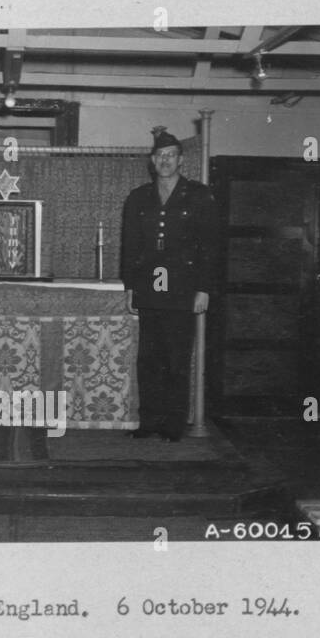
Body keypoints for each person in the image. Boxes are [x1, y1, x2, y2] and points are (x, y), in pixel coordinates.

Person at [119, 131, 220, 442]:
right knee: (149, 359)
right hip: (149, 287)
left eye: (171, 155)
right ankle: (149, 422)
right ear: (152, 160)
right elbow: (130, 245)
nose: (165, 161)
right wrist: (130, 286)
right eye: (160, 156)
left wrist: (204, 288)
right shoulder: (138, 197)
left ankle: (173, 425)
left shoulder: (199, 195)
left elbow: (210, 245)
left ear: (181, 160)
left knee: (176, 358)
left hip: (182, 288)